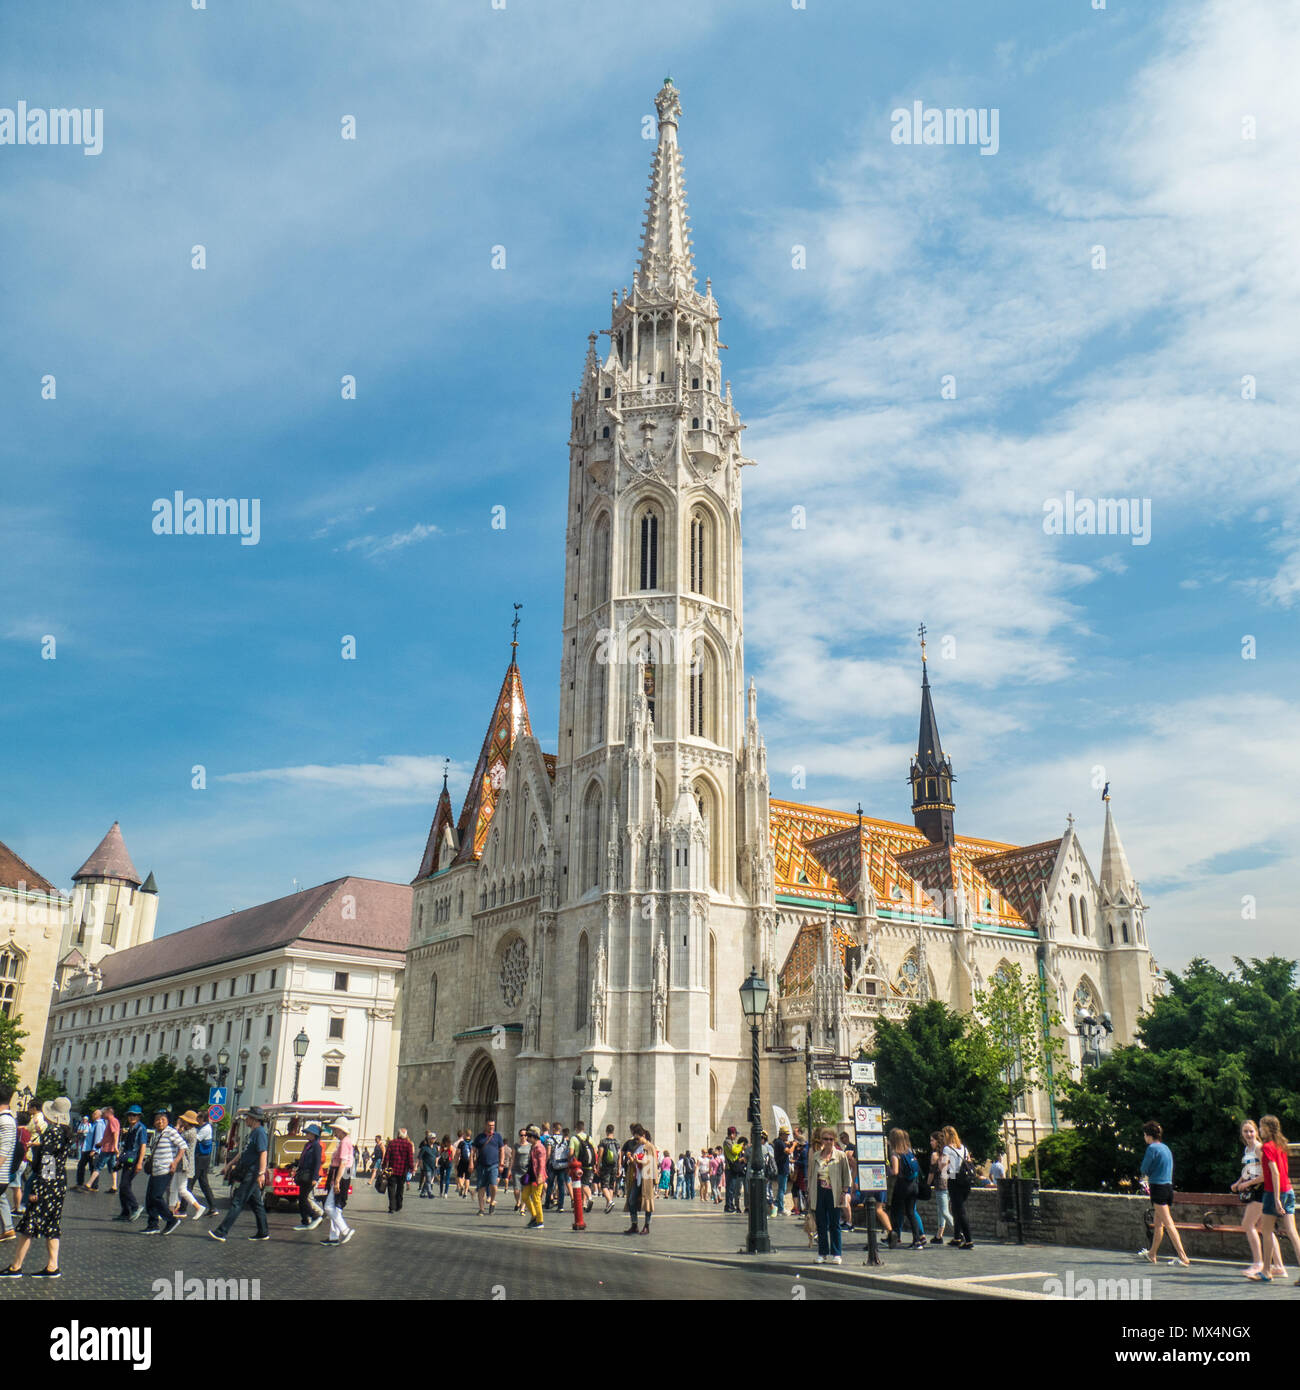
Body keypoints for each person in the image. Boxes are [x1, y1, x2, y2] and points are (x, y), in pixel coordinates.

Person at [1, 1096, 74, 1280]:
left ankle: (16, 1266)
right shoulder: (66, 1132)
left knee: (29, 1225)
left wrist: (36, 1190)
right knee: (52, 1225)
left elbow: (47, 1162)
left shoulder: (52, 1132)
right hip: (59, 1183)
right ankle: (52, 1265)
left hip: (47, 1183)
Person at [1232, 1118, 1285, 1280]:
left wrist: (1247, 1183)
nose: (1249, 1134)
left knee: (1248, 1224)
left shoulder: (1258, 1148)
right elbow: (1249, 1170)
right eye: (1245, 1131)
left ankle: (1258, 1262)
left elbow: (1264, 1175)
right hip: (1255, 1189)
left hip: (1261, 1190)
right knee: (1263, 1228)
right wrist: (1239, 1182)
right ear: (1241, 1133)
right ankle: (1279, 1266)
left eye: (1251, 1131)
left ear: (1256, 1132)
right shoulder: (1247, 1149)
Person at [209, 1106, 271, 1242]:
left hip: (252, 1172)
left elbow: (263, 1153)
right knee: (257, 1203)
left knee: (238, 1201)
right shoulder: (253, 1133)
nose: (246, 1119)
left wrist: (261, 1173)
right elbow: (243, 1152)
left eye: (248, 1117)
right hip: (249, 1171)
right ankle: (263, 1231)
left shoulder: (260, 1132)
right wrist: (229, 1165)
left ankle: (222, 1231)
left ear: (254, 1119)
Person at [1254, 1114, 1300, 1284]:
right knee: (1292, 1232)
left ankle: (1266, 1271)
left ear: (1267, 1128)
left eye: (1261, 1126)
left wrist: (1276, 1198)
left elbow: (1275, 1172)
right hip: (1288, 1190)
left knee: (1266, 1231)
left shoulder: (1267, 1147)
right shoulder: (1281, 1145)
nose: (1259, 1130)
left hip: (1274, 1192)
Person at [1137, 1120, 1190, 1267]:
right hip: (1168, 1188)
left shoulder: (1151, 1148)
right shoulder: (1166, 1148)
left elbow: (1144, 1168)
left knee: (1168, 1223)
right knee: (1158, 1224)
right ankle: (1152, 1253)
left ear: (1148, 1135)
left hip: (1158, 1188)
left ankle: (1183, 1256)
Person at [809, 1127, 852, 1265]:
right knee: (821, 1224)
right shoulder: (816, 1156)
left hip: (835, 1192)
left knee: (834, 1224)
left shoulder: (840, 1155)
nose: (828, 1142)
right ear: (821, 1140)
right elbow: (810, 1176)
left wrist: (844, 1192)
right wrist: (809, 1193)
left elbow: (846, 1176)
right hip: (819, 1192)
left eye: (831, 1139)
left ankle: (836, 1253)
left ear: (834, 1140)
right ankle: (822, 1253)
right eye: (825, 1139)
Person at [141, 1109, 186, 1236]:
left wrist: (175, 1162)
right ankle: (152, 1225)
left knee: (156, 1196)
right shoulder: (156, 1133)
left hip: (165, 1169)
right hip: (155, 1169)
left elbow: (183, 1146)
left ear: (167, 1121)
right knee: (150, 1198)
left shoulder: (171, 1132)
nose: (160, 1122)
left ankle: (171, 1220)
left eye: (163, 1120)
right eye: (157, 1120)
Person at [888, 1128, 927, 1249]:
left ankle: (893, 1238)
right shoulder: (909, 1152)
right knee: (911, 1213)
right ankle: (917, 1240)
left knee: (895, 1212)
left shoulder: (895, 1153)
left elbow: (894, 1171)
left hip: (902, 1187)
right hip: (913, 1186)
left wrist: (886, 1169)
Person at [321, 1119, 356, 1246]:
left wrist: (336, 1181)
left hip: (340, 1174)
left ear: (341, 1130)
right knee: (336, 1207)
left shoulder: (344, 1142)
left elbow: (343, 1163)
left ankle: (345, 1230)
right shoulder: (344, 1141)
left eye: (335, 1129)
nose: (334, 1132)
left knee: (329, 1206)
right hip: (342, 1174)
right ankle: (333, 1237)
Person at [941, 1125, 975, 1250]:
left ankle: (969, 1240)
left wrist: (943, 1169)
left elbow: (944, 1169)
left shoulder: (947, 1149)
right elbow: (968, 1163)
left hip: (954, 1181)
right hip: (966, 1182)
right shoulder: (964, 1149)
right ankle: (957, 1237)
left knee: (960, 1211)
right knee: (955, 1209)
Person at [114, 1105, 147, 1222]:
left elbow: (143, 1145)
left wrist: (140, 1162)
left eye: (134, 1115)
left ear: (139, 1116)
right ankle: (125, 1212)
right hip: (127, 1159)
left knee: (124, 1185)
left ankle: (135, 1206)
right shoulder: (131, 1128)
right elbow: (126, 1146)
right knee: (123, 1186)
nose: (132, 1117)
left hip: (134, 1160)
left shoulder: (141, 1128)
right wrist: (119, 1160)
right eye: (130, 1115)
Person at [171, 1110, 206, 1219]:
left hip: (185, 1165)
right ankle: (170, 1210)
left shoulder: (190, 1133)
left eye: (183, 1120)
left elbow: (175, 1138)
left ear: (187, 1121)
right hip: (181, 1163)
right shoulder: (189, 1131)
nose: (182, 1121)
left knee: (182, 1189)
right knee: (173, 1188)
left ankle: (198, 1207)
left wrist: (177, 1126)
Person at [292, 1123, 325, 1231]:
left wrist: (315, 1178)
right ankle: (305, 1221)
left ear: (314, 1135)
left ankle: (315, 1216)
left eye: (309, 1133)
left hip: (310, 1176)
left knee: (304, 1198)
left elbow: (317, 1163)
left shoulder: (316, 1146)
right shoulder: (308, 1145)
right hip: (303, 1174)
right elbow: (303, 1159)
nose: (307, 1135)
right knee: (301, 1198)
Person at [472, 1119, 505, 1216]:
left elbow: (502, 1150)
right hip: (481, 1165)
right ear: (485, 1125)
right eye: (490, 1125)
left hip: (494, 1164)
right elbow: (473, 1150)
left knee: (494, 1185)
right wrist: (471, 1163)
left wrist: (501, 1163)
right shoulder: (479, 1137)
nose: (492, 1127)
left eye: (493, 1125)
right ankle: (481, 1209)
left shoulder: (497, 1136)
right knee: (481, 1187)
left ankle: (492, 1201)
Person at [929, 1132, 954, 1245]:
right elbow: (951, 1172)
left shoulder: (935, 1155)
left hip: (940, 1184)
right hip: (949, 1183)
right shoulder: (948, 1154)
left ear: (937, 1142)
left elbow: (932, 1172)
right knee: (941, 1210)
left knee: (944, 1211)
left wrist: (927, 1184)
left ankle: (960, 1232)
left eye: (932, 1140)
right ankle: (939, 1235)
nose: (931, 1143)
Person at [192, 1107, 218, 1216]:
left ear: (202, 1118)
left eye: (198, 1116)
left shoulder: (206, 1129)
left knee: (190, 1182)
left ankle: (182, 1208)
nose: (196, 1118)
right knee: (203, 1183)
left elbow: (195, 1140)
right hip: (202, 1157)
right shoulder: (202, 1127)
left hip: (201, 1158)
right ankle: (213, 1207)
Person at [383, 1127, 415, 1214]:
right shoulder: (408, 1145)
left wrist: (384, 1166)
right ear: (405, 1135)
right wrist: (411, 1168)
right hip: (403, 1170)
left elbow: (387, 1156)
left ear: (398, 1134)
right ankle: (399, 1204)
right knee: (400, 1188)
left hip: (392, 1169)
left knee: (391, 1188)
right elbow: (410, 1158)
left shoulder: (392, 1143)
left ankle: (392, 1206)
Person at [0, 1086, 17, 1243]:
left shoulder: (5, 1120)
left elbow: (4, 1149)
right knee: (2, 1199)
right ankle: (8, 1228)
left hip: (1, 1172)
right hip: (3, 1174)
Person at [522, 1126, 547, 1229]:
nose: (527, 1138)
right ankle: (534, 1216)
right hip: (531, 1175)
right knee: (525, 1196)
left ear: (534, 1137)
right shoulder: (533, 1147)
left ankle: (540, 1221)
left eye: (529, 1136)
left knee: (536, 1198)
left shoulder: (539, 1148)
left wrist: (540, 1176)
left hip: (537, 1176)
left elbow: (542, 1163)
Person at [74, 1108, 99, 1191]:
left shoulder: (98, 1124)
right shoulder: (94, 1124)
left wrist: (94, 1149)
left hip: (91, 1149)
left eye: (94, 1114)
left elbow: (98, 1137)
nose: (93, 1115)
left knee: (92, 1167)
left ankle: (94, 1186)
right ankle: (79, 1183)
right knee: (81, 1165)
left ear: (99, 1115)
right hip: (87, 1148)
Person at [597, 1125, 620, 1214]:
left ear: (606, 1131)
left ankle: (610, 1202)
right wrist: (619, 1166)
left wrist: (598, 1166)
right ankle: (608, 1205)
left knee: (604, 1186)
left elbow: (600, 1154)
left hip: (606, 1166)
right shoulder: (617, 1142)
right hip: (614, 1166)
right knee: (611, 1185)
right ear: (613, 1131)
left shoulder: (603, 1141)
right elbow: (619, 1155)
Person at [418, 1133, 438, 1198]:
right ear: (429, 1139)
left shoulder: (435, 1147)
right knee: (429, 1180)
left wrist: (436, 1164)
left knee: (427, 1180)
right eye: (432, 1138)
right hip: (427, 1166)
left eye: (435, 1138)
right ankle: (430, 1193)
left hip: (433, 1166)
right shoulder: (424, 1148)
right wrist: (420, 1165)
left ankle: (422, 1193)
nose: (434, 1139)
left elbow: (437, 1156)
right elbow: (420, 1157)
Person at [454, 1130, 473, 1197]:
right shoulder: (472, 1143)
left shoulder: (461, 1143)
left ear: (465, 1134)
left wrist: (456, 1161)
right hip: (469, 1161)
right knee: (467, 1178)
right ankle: (465, 1193)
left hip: (462, 1161)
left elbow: (457, 1153)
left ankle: (461, 1186)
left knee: (459, 1175)